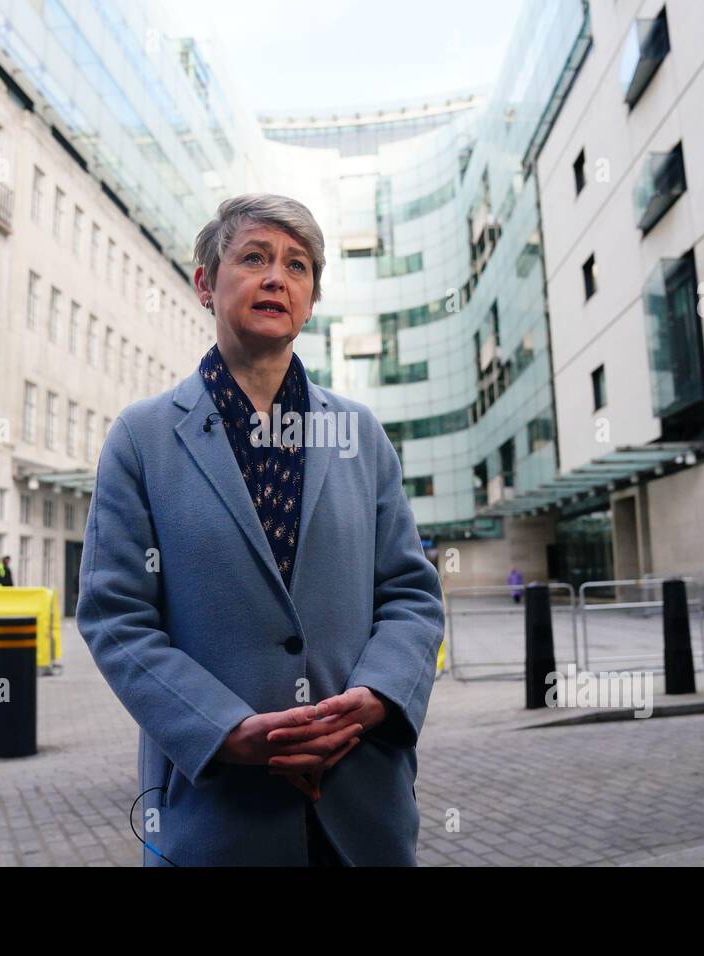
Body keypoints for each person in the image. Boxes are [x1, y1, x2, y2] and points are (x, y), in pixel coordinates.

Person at [76, 193, 444, 866]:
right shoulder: (143, 437)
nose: (277, 276)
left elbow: (411, 596)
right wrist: (226, 731)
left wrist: (377, 698)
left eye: (297, 265)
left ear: (310, 299)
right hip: (217, 812)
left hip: (361, 807)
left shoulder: (359, 434)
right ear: (205, 284)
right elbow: (114, 616)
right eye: (253, 257)